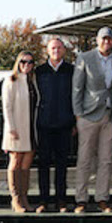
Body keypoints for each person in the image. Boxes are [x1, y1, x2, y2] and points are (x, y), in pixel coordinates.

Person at [72, 27, 112, 212]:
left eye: (109, 39)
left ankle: (102, 198)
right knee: (84, 160)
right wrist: (78, 115)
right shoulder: (85, 58)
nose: (106, 42)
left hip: (109, 115)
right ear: (97, 40)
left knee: (106, 160)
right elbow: (77, 88)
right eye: (103, 39)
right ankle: (81, 199)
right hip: (88, 115)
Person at [34, 37, 75, 213]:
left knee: (61, 166)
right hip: (44, 125)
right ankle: (43, 200)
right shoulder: (39, 71)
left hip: (65, 125)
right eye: (53, 48)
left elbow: (75, 97)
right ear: (47, 50)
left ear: (64, 50)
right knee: (43, 165)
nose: (56, 51)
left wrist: (74, 122)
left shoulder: (71, 70)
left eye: (59, 48)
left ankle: (61, 201)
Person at [1, 50, 38, 213]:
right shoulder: (11, 80)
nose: (27, 65)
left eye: (30, 62)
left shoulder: (33, 81)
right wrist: (11, 128)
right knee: (15, 162)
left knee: (26, 164)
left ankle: (24, 197)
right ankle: (15, 199)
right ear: (18, 62)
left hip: (31, 127)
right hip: (15, 128)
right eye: (23, 61)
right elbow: (7, 106)